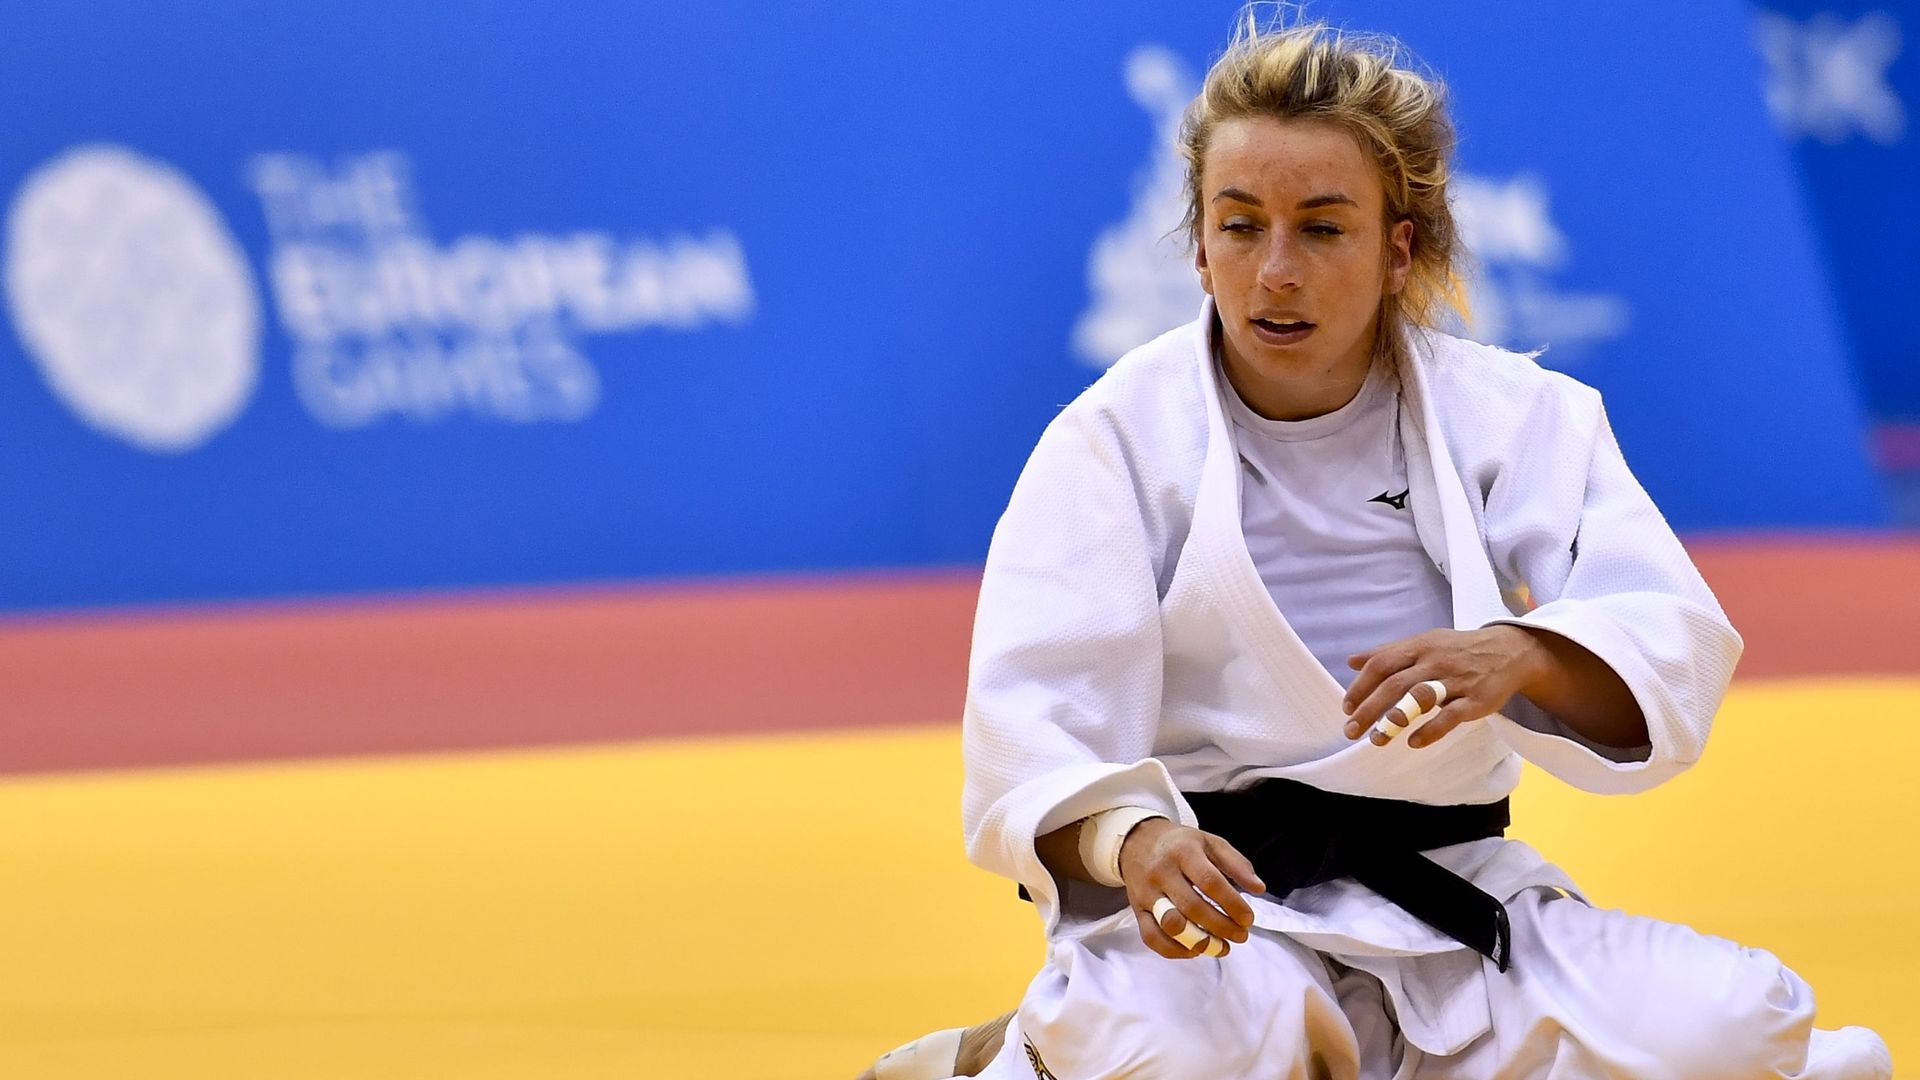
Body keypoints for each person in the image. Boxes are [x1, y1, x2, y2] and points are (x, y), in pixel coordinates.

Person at [862, 16, 1893, 1080]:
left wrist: (1526, 655)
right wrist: (1132, 840)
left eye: (1322, 228)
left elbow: (1667, 641)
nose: (1276, 272)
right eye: (1239, 225)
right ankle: (1021, 1054)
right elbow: (1032, 729)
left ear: (1397, 249)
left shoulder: (1516, 416)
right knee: (1194, 1051)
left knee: (1737, 1031)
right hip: (1214, 918)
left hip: (1454, 892)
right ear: (1200, 245)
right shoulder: (1115, 440)